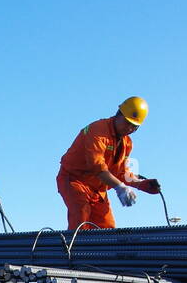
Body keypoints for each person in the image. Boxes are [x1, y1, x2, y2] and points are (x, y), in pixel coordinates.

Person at [56, 96, 161, 230]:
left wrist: (142, 185)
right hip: (74, 180)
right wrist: (120, 187)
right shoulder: (98, 131)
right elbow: (97, 166)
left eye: (135, 127)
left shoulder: (127, 144)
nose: (129, 128)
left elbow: (122, 173)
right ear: (118, 114)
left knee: (107, 229)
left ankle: (102, 251)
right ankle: (74, 250)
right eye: (127, 123)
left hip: (98, 190)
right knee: (81, 215)